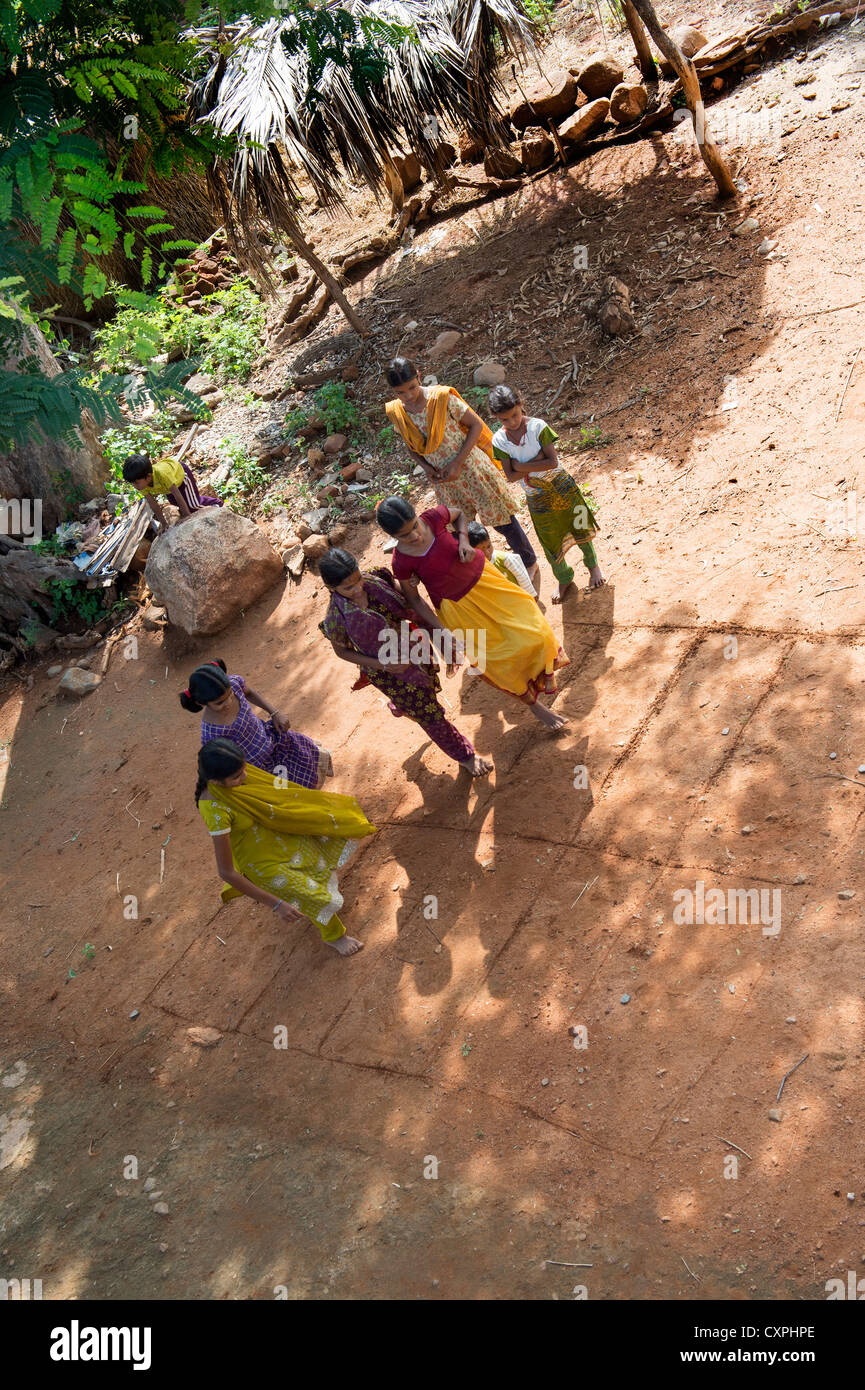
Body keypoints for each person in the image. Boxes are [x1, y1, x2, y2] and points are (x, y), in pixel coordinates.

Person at [376, 496, 569, 731]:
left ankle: (544, 670)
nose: (414, 535)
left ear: (417, 516)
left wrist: (464, 541)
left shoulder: (434, 517)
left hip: (488, 583)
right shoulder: (402, 561)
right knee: (496, 659)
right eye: (404, 535)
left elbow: (459, 515)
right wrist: (441, 629)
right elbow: (414, 599)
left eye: (414, 526)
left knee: (534, 629)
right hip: (458, 609)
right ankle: (535, 705)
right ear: (393, 537)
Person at [318, 548, 492, 778]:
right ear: (332, 588)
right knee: (431, 716)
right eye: (348, 587)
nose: (358, 587)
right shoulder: (336, 619)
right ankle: (465, 756)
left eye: (358, 579)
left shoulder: (377, 579)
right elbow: (342, 652)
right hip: (391, 674)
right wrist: (385, 665)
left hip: (415, 652)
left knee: (427, 690)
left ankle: (401, 706)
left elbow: (410, 600)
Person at [196, 738, 376, 957]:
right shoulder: (215, 812)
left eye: (243, 770)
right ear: (214, 781)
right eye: (237, 777)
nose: (245, 777)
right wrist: (275, 903)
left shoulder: (235, 774)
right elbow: (226, 872)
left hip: (280, 838)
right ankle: (335, 937)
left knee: (316, 866)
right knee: (313, 897)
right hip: (264, 866)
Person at [384, 357, 539, 590]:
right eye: (401, 392)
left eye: (412, 387)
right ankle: (477, 570)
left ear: (418, 376)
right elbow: (409, 443)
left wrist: (457, 463)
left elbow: (475, 425)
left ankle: (529, 561)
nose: (408, 396)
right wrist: (426, 467)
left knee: (502, 520)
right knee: (459, 528)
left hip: (471, 469)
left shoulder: (442, 399)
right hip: (444, 480)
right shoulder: (397, 412)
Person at [488, 384, 606, 604]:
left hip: (564, 488)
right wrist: (535, 462)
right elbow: (509, 476)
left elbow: (552, 462)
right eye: (505, 420)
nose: (512, 422)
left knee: (580, 525)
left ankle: (593, 566)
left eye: (515, 415)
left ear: (521, 404)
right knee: (549, 540)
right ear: (496, 418)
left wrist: (518, 464)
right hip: (537, 498)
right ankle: (564, 577)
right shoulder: (499, 441)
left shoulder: (537, 427)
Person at [180, 660, 333, 789]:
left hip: (275, 741)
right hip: (260, 769)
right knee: (293, 795)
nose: (228, 702)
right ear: (201, 703)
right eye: (219, 703)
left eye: (230, 696)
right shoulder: (211, 732)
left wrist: (274, 713)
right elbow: (222, 761)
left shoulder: (234, 684)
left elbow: (250, 693)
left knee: (308, 766)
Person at [122, 451, 223, 529]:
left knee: (193, 505)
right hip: (167, 486)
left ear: (148, 476)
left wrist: (187, 516)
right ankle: (188, 510)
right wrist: (164, 524)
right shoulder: (141, 484)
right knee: (176, 503)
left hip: (181, 476)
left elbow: (176, 493)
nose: (134, 486)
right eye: (132, 483)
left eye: (136, 482)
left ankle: (217, 504)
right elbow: (153, 504)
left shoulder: (162, 474)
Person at [466, 521, 538, 601]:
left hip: (518, 599)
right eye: (481, 550)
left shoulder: (505, 559)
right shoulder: (472, 569)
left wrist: (531, 595)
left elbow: (522, 577)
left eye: (489, 546)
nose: (487, 552)